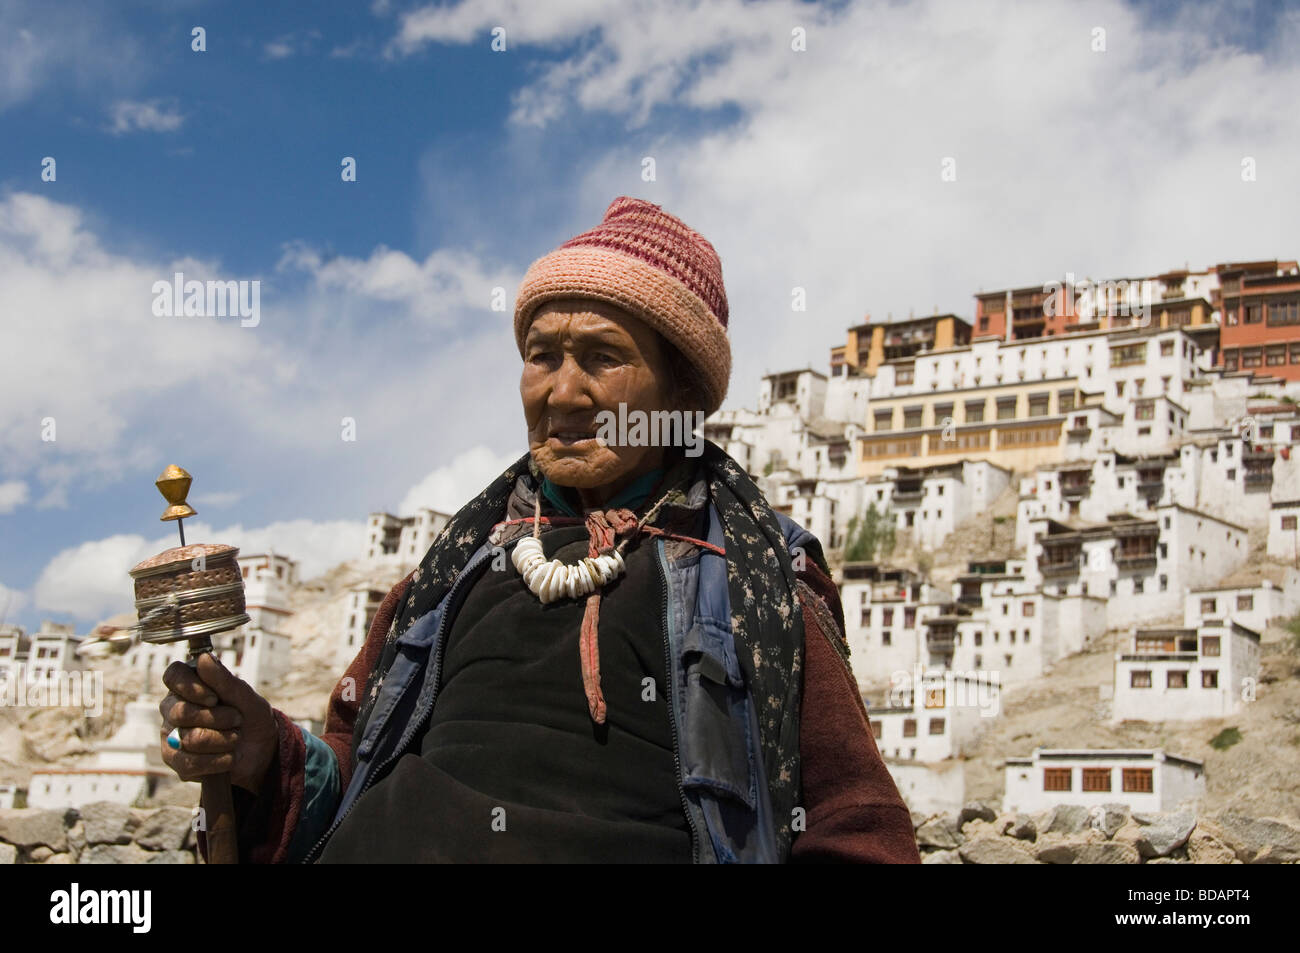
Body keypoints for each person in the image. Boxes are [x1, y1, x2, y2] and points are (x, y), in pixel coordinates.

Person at [160, 196, 920, 863]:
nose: (563, 390)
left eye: (601, 357)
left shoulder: (754, 576)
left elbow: (853, 818)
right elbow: (350, 769)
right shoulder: (448, 573)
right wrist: (264, 751)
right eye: (542, 356)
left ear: (681, 395)